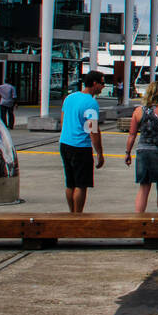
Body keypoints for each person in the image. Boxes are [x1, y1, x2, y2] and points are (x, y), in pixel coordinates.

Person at [125, 81, 158, 213]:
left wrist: (127, 153)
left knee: (144, 187)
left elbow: (132, 134)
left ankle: (139, 217)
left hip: (142, 150)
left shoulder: (138, 111)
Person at [58, 71, 106, 213]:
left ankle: (71, 212)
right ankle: (78, 214)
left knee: (70, 183)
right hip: (80, 147)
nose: (103, 87)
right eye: (102, 83)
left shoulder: (69, 98)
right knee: (81, 184)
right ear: (95, 83)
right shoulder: (91, 103)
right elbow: (93, 130)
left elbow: (63, 119)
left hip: (65, 143)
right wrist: (100, 153)